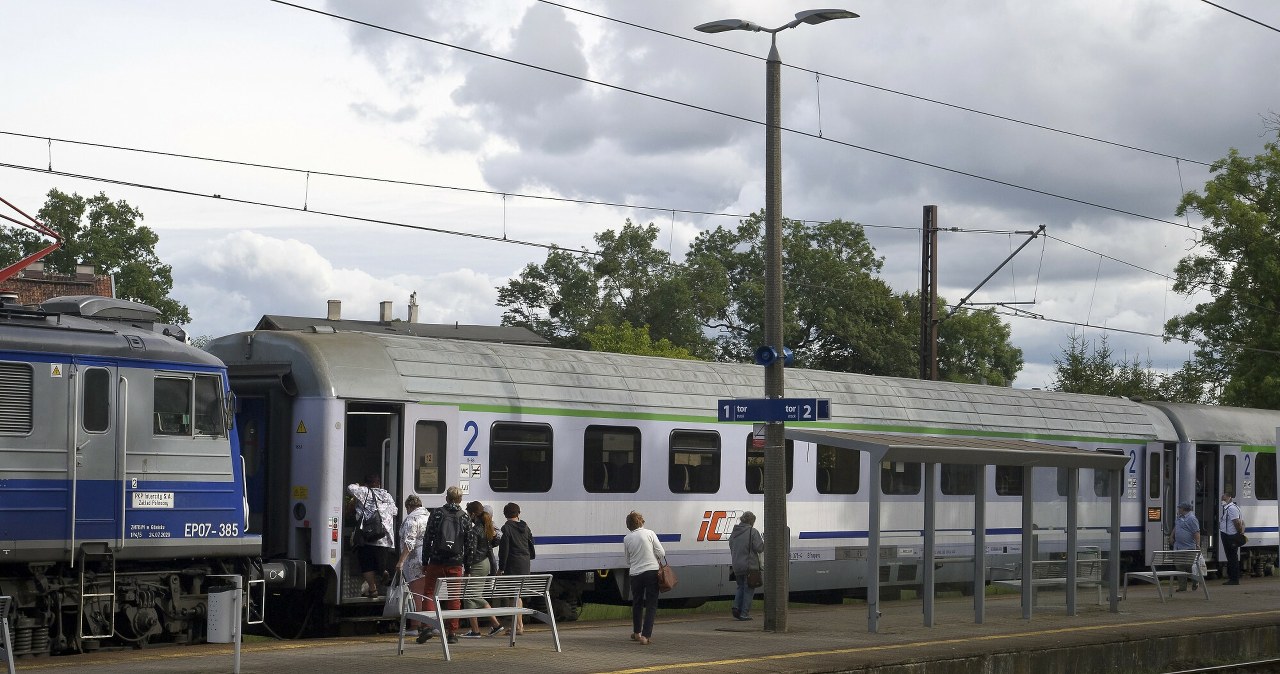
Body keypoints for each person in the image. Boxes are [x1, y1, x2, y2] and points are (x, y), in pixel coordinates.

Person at [417, 486, 472, 645]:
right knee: (454, 596)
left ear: (447, 498)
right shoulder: (465, 517)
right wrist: (467, 567)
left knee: (429, 593)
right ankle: (452, 633)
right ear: (460, 499)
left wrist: (425, 561)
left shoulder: (437, 513)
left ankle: (427, 626)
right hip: (455, 562)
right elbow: (469, 545)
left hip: (436, 560)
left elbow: (427, 539)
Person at [460, 501, 505, 638]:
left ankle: (478, 630)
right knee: (473, 596)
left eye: (468, 514)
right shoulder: (487, 527)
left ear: (473, 514)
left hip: (477, 564)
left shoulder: (475, 530)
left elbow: (471, 551)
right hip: (485, 563)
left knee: (470, 596)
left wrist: (467, 569)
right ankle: (489, 627)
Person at [346, 473, 396, 599]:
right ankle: (383, 571)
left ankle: (373, 590)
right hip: (384, 537)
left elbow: (350, 488)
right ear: (379, 483)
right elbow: (395, 511)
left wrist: (358, 485)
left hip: (368, 536)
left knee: (366, 563)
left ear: (366, 484)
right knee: (379, 562)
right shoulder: (387, 495)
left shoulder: (364, 491)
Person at [622, 511, 665, 646]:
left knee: (637, 603)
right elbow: (661, 552)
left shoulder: (627, 539)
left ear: (628, 525)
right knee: (651, 604)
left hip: (635, 574)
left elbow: (627, 560)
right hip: (651, 572)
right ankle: (645, 636)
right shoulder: (650, 533)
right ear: (641, 521)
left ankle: (637, 633)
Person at [497, 502, 535, 635]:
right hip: (525, 564)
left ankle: (519, 627)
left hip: (513, 565)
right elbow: (531, 544)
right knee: (517, 596)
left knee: (514, 596)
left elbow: (504, 550)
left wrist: (501, 568)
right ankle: (519, 625)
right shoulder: (525, 527)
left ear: (505, 515)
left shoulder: (506, 528)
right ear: (518, 513)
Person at [395, 494, 429, 634]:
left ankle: (415, 625)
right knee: (428, 594)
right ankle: (429, 624)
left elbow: (409, 542)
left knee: (416, 594)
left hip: (415, 560)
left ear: (409, 506)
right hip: (428, 559)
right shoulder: (429, 516)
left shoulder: (412, 519)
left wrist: (401, 561)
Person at [728, 511, 764, 620]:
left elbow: (731, 546)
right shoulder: (752, 532)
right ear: (751, 521)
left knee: (740, 587)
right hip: (749, 566)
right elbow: (759, 548)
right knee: (749, 589)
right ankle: (744, 614)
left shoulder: (734, 532)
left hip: (736, 565)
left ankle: (736, 607)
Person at [1171, 501, 1201, 592]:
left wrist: (1197, 544)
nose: (1178, 509)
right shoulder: (1179, 518)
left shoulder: (1192, 519)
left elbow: (1196, 532)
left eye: (1179, 508)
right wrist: (1172, 536)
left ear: (1184, 509)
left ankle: (1195, 581)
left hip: (1189, 547)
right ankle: (1182, 587)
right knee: (1179, 566)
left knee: (1189, 566)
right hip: (1178, 547)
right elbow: (1176, 527)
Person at [1219, 491, 1245, 585]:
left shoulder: (1231, 509)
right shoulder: (1232, 508)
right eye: (1222, 499)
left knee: (1232, 557)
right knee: (1231, 557)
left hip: (1230, 535)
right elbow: (1242, 522)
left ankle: (1234, 579)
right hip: (1230, 534)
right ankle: (1233, 578)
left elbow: (1237, 522)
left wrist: (1239, 532)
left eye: (1224, 499)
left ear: (1230, 498)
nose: (1222, 500)